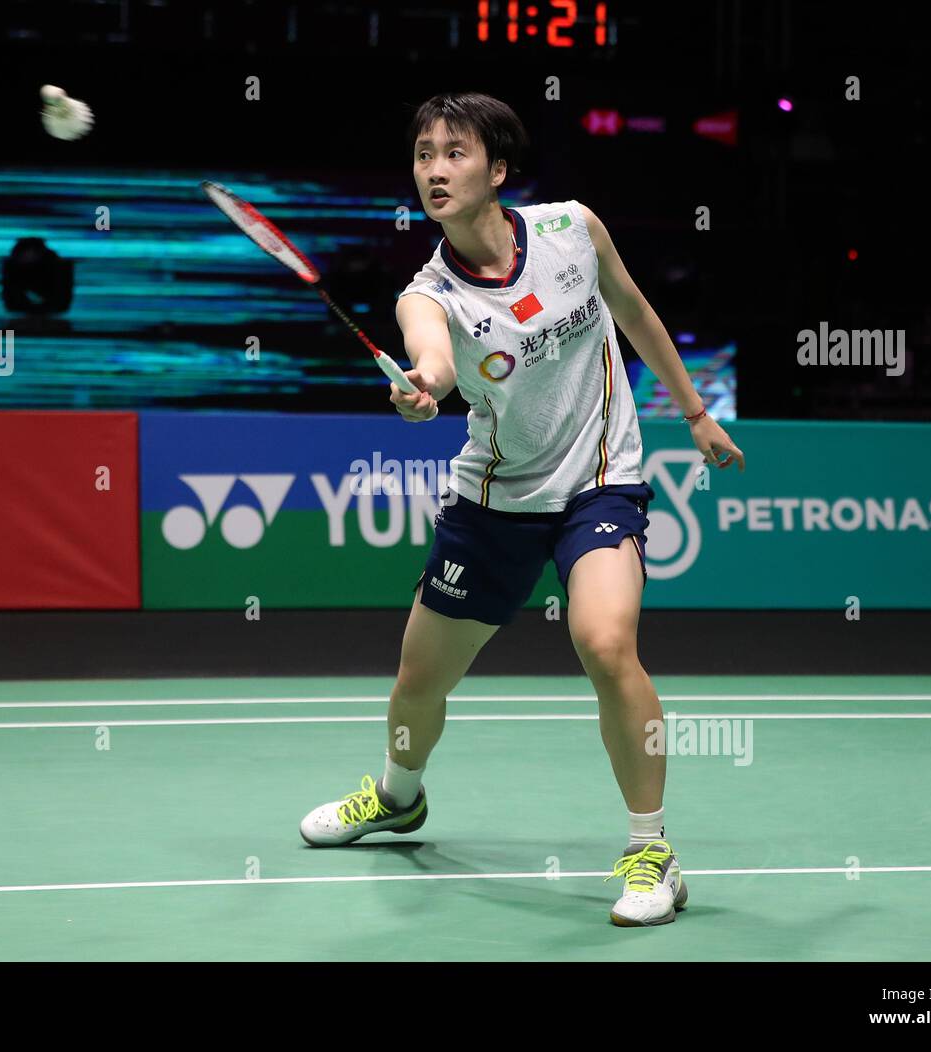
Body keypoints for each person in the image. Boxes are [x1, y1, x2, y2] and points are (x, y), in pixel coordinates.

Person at [299, 92, 744, 927]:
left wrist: (692, 411)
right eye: (424, 153)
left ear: (498, 170)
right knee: (418, 684)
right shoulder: (427, 293)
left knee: (604, 641)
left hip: (600, 479)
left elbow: (636, 310)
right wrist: (425, 387)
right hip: (496, 500)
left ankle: (653, 852)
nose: (434, 168)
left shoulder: (573, 229)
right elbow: (429, 354)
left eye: (455, 152)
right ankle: (399, 797)